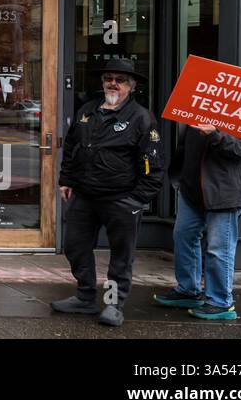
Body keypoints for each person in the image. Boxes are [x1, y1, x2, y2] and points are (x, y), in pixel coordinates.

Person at [51, 59, 162, 327]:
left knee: (120, 257)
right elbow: (72, 145)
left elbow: (154, 166)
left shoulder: (141, 118)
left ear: (131, 86)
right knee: (75, 247)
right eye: (108, 78)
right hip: (85, 196)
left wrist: (136, 200)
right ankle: (85, 296)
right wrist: (66, 179)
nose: (113, 83)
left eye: (120, 80)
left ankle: (114, 304)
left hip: (121, 199)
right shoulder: (87, 110)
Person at [153, 111, 241, 321]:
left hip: (226, 194)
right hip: (192, 190)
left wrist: (216, 135)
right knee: (183, 237)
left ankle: (221, 302)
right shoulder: (200, 106)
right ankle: (188, 290)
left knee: (219, 249)